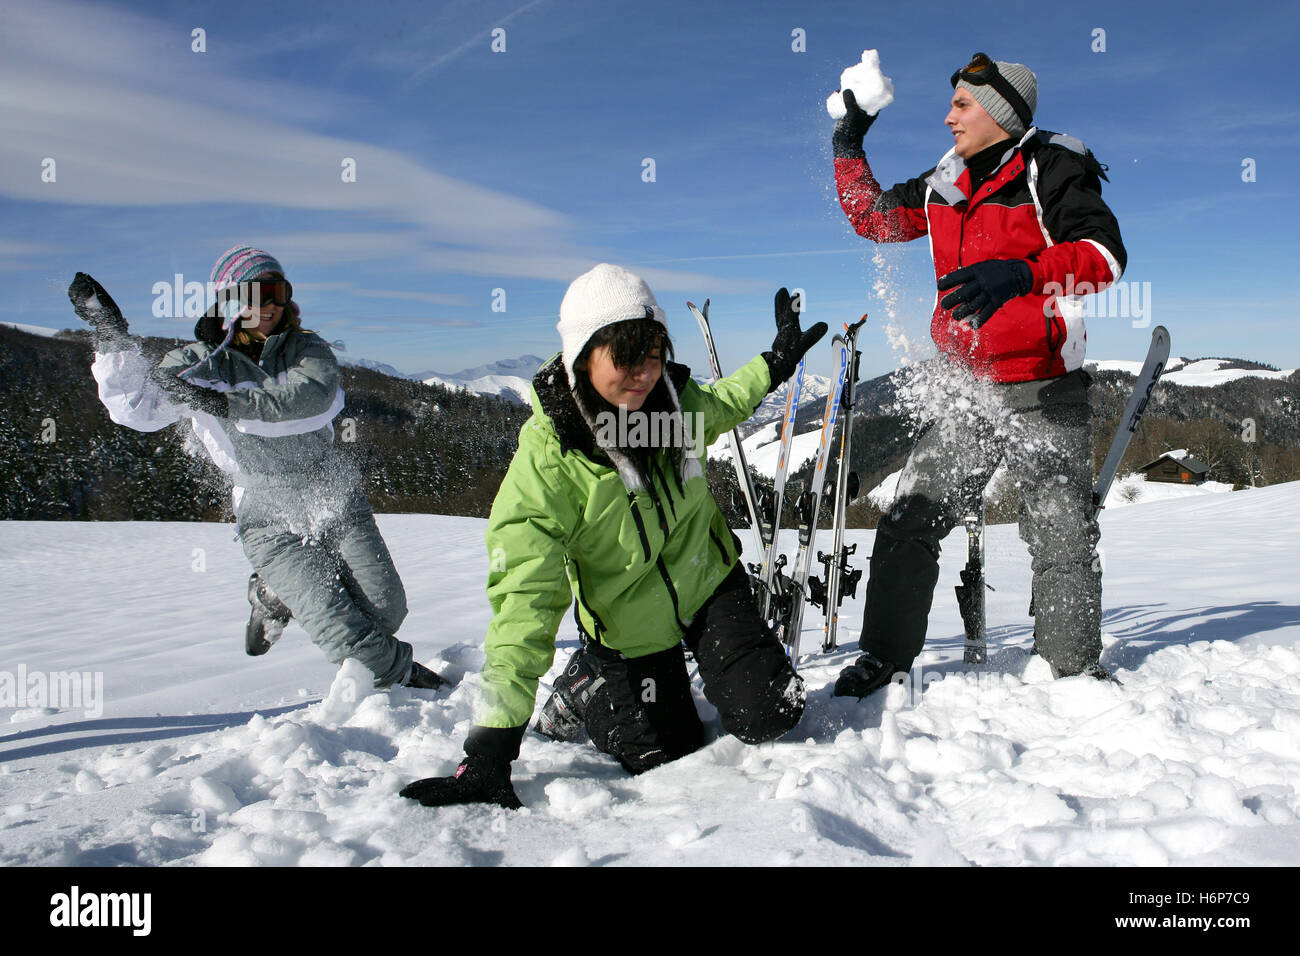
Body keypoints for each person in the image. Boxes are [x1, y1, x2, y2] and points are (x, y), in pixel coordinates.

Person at [401, 263, 825, 808]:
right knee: (667, 756)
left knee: (771, 711)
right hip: (630, 629)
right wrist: (492, 748)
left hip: (708, 582)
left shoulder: (670, 404)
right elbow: (524, 600)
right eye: (624, 357)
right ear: (582, 356)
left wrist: (776, 362)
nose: (644, 373)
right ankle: (587, 688)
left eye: (653, 354)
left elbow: (722, 405)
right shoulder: (550, 464)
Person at [829, 53, 1128, 697]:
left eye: (962, 104)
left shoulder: (1052, 166)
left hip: (1045, 383)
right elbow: (875, 219)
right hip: (965, 386)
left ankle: (1072, 672)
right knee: (911, 513)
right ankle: (885, 657)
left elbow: (1104, 257)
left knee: (1058, 522)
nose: (948, 116)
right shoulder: (947, 180)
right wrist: (848, 144)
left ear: (999, 112)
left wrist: (1023, 273)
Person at [67, 246, 445, 690]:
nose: (268, 306)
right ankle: (402, 677)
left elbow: (312, 401)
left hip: (332, 495)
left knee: (387, 610)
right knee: (346, 634)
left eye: (278, 292)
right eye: (256, 294)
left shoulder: (307, 349)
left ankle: (273, 592)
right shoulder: (197, 364)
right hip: (266, 512)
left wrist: (224, 401)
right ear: (229, 300)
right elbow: (137, 408)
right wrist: (113, 338)